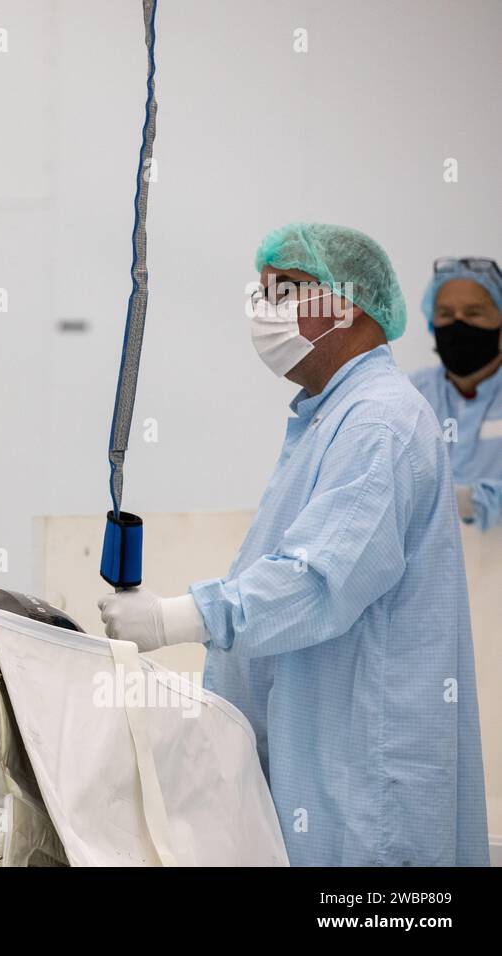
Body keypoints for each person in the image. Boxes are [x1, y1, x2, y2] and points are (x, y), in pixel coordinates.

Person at [97, 223, 488, 866]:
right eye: (262, 294)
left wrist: (172, 618)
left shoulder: (379, 422)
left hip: (367, 793)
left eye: (286, 291)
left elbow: (318, 581)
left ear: (349, 303)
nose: (265, 311)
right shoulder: (329, 419)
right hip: (328, 774)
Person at [409, 257, 502, 531]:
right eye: (446, 314)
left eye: (474, 313)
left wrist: (471, 503)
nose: (458, 325)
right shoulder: (409, 396)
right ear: (431, 323)